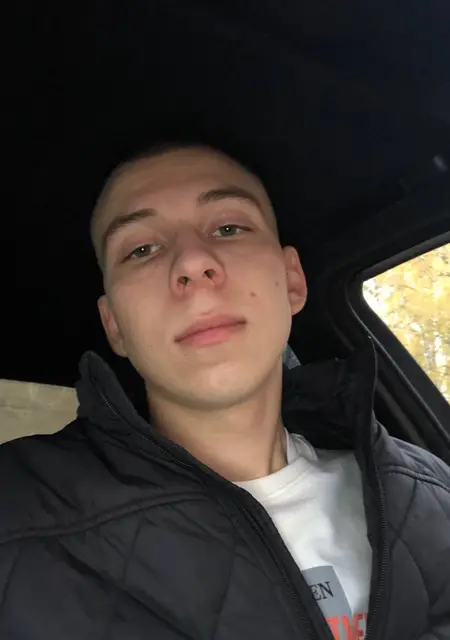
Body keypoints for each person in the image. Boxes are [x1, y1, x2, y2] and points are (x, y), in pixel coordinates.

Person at [1, 143, 449, 640]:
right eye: (141, 250)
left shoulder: (432, 493)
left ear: (292, 280)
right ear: (114, 326)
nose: (193, 262)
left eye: (229, 228)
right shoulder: (15, 511)